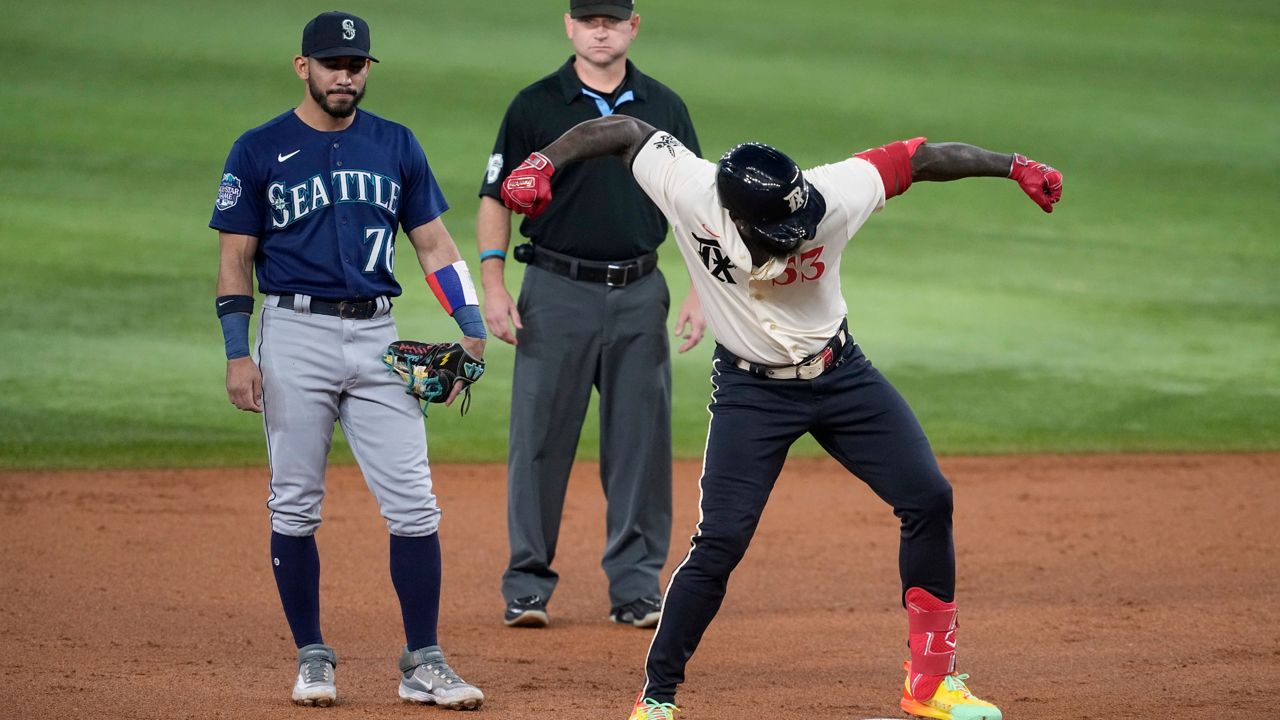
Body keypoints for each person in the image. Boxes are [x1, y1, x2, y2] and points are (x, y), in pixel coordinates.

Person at [500, 115, 1063, 720]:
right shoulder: (690, 188)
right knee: (720, 541)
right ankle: (656, 700)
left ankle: (929, 685)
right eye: (778, 231)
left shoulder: (836, 194)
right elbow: (621, 130)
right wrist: (544, 160)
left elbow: (920, 158)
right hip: (752, 394)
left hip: (840, 373)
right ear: (734, 216)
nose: (794, 237)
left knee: (928, 497)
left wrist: (1013, 164)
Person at [210, 11, 485, 710]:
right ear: (303, 67)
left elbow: (433, 244)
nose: (344, 75)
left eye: (356, 65)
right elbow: (235, 261)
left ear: (369, 70)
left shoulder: (395, 144)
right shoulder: (259, 148)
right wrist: (238, 355)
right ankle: (312, 655)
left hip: (378, 336)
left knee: (415, 502)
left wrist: (471, 322)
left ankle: (423, 660)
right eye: (331, 64)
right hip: (293, 333)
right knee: (296, 501)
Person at [475, 0, 705, 630]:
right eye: (589, 19)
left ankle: (635, 588)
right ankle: (527, 585)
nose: (600, 29)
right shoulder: (535, 105)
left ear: (634, 26)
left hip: (639, 291)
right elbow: (495, 196)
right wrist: (493, 284)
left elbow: (696, 202)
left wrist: (700, 289)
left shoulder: (664, 106)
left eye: (612, 19)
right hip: (554, 289)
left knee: (640, 445)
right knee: (539, 441)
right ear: (569, 26)